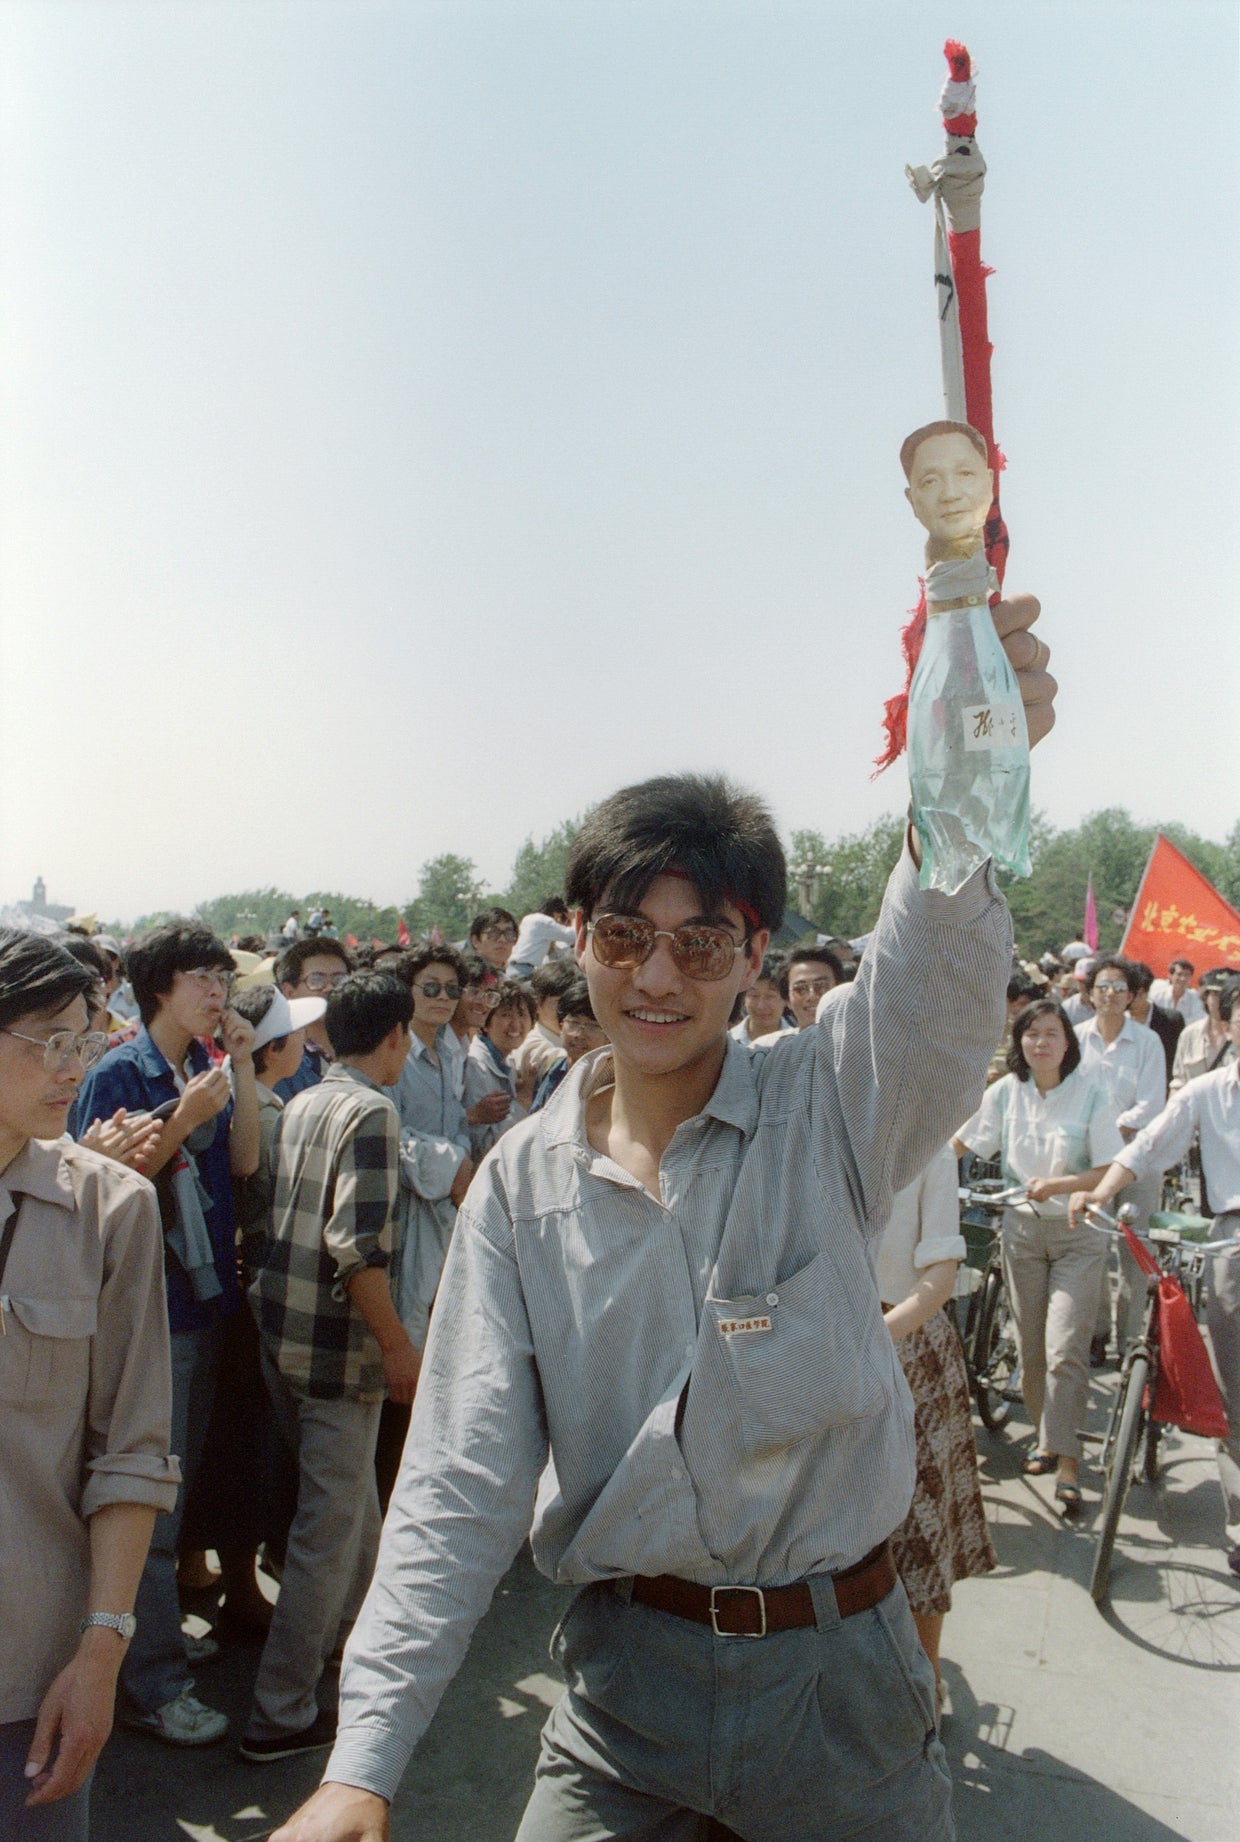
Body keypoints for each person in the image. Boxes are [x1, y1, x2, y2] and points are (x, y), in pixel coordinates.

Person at [0, 930, 180, 1839]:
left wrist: (103, 1651)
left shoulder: (111, 1207)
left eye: (86, 1040)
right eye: (50, 1042)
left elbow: (132, 1452)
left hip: (27, 1681)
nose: (74, 1067)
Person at [73, 921, 260, 1746]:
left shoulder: (207, 1064)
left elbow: (246, 1163)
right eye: (200, 977)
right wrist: (179, 1120)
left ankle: (151, 1657)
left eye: (222, 977)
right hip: (150, 1310)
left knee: (177, 1501)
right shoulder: (121, 1068)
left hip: (205, 1297)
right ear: (159, 987)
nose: (217, 992)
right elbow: (95, 1191)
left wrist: (243, 1067)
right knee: (146, 1503)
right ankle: (149, 1683)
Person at [241, 973, 419, 1762]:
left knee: (351, 1515)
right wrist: (397, 1345)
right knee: (327, 1529)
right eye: (407, 1035)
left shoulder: (309, 1097)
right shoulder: (372, 1111)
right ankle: (279, 1711)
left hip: (284, 1335)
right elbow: (359, 1249)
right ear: (393, 1037)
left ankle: (353, 1649)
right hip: (338, 1352)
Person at [1070, 976, 1240, 1578]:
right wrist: (1101, 1191)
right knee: (1233, 1389)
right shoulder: (1208, 1091)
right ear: (1229, 1026)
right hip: (1230, 1237)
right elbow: (1149, 1145)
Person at [953, 998, 1123, 1515]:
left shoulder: (1092, 1094)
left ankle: (1068, 1461)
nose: (1041, 1042)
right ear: (1018, 1044)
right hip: (1021, 1233)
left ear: (1067, 1042)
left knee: (1065, 1346)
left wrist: (1064, 1185)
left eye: (1051, 1033)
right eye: (1031, 1034)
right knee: (1030, 1349)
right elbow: (962, 1144)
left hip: (1078, 1232)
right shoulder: (1005, 1093)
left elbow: (1110, 1169)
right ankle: (1046, 1440)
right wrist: (910, 1163)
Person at [877, 1144, 996, 1712]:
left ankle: (924, 1683)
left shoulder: (929, 1148)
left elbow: (941, 1275)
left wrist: (875, 1337)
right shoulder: (812, 1122)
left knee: (920, 1519)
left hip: (908, 1344)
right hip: (821, 1342)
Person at [376, 949, 475, 1507]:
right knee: (405, 1357)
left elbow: (457, 1124)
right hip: (406, 1214)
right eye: (429, 987)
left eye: (450, 989)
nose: (441, 998)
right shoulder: (396, 1052)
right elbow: (393, 1134)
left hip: (447, 1215)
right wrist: (452, 1164)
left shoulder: (450, 1051)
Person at [1075, 956, 1166, 1353]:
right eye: (1102, 987)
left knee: (1136, 1250)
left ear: (1131, 996)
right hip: (1089, 1161)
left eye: (1118, 988)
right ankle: (1095, 1332)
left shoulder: (1148, 1042)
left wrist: (1108, 1127)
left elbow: (1151, 1104)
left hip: (1138, 1160)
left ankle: (1133, 1341)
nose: (1109, 994)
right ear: (1090, 994)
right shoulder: (1074, 1038)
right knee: (1091, 1244)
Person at [273, 938, 354, 1102]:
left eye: (340, 979)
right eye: (317, 980)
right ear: (288, 992)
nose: (330, 988)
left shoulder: (365, 1047)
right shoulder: (277, 1057)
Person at [463, 980, 536, 1158]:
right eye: (506, 1015)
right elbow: (484, 1147)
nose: (515, 1025)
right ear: (486, 1023)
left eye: (522, 1015)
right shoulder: (475, 1066)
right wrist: (523, 1101)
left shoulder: (507, 1063)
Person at [530, 979, 608, 1112]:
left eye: (591, 1026)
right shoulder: (550, 1068)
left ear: (607, 1035)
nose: (579, 1034)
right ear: (561, 1026)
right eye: (574, 1022)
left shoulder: (609, 1083)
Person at [510, 957, 579, 1090]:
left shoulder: (569, 1039)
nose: (569, 1010)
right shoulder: (533, 1045)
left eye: (573, 1002)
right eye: (560, 1003)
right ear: (536, 1003)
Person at [1171, 968, 1235, 1090]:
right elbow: (1178, 1083)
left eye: (1227, 995)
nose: (1221, 1001)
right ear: (1206, 997)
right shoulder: (1190, 1034)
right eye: (1215, 994)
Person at [1127, 960, 1185, 1085]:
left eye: (1137, 995)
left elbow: (1177, 1063)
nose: (1130, 1000)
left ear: (1146, 992)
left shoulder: (1171, 1021)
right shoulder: (1118, 1019)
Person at [728, 953, 791, 1046]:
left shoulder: (798, 1043)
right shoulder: (727, 1042)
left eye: (770, 996)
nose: (761, 1006)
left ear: (786, 999)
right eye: (754, 995)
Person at [509, 897, 576, 978]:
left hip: (512, 967)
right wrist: (574, 918)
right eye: (558, 917)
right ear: (556, 913)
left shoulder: (528, 918)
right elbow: (572, 935)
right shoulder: (545, 921)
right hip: (524, 970)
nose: (557, 921)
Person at [1151, 957, 1205, 1024]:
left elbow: (1198, 1021)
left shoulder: (1196, 998)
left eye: (1187, 975)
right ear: (1170, 976)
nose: (1183, 979)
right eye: (1179, 974)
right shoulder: (1158, 995)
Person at [467, 908, 519, 976]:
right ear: (475, 941)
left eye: (508, 933)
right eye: (493, 933)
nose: (502, 939)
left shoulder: (509, 981)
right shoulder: (467, 979)